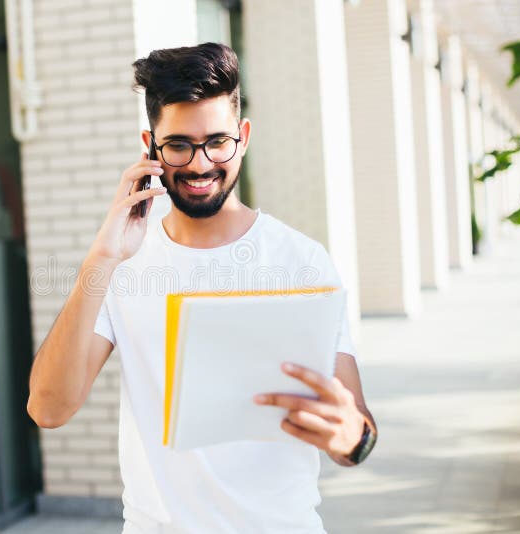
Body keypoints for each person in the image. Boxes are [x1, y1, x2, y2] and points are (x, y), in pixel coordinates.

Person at [28, 42, 377, 533]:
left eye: (217, 141)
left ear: (243, 136)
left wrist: (350, 438)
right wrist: (101, 258)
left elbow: (356, 427)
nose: (199, 164)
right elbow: (48, 408)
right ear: (150, 145)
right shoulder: (123, 262)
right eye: (178, 146)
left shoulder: (301, 261)